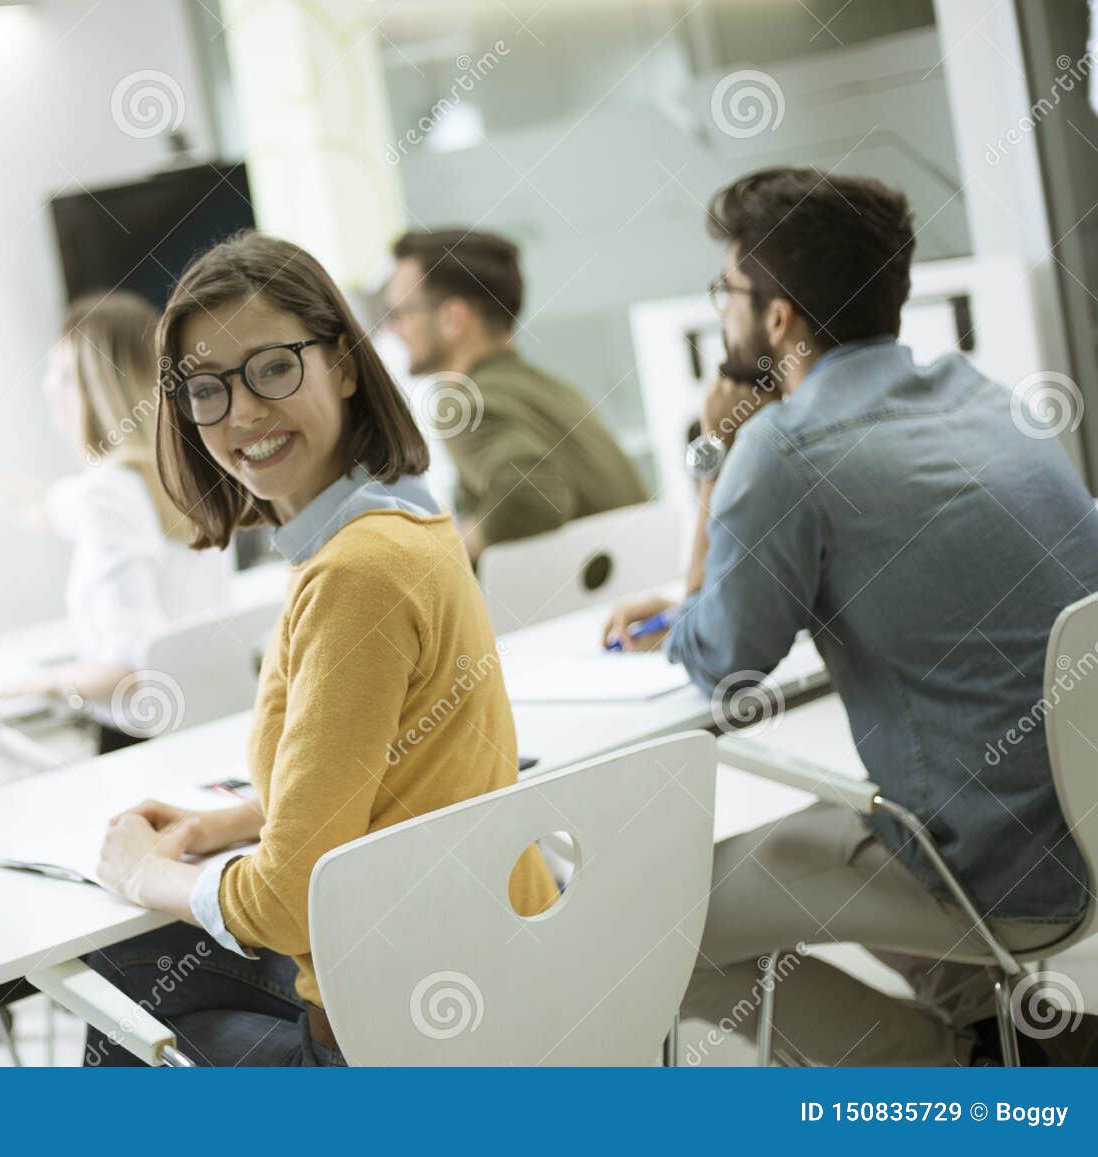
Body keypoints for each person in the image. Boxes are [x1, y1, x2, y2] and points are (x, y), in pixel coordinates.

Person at [604, 167, 1098, 1066]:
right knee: (816, 831)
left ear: (778, 317)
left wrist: (719, 461)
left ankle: (964, 1087)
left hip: (986, 860)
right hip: (1077, 821)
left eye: (729, 292)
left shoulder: (787, 451)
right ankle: (1019, 1032)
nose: (723, 314)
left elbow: (727, 662)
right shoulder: (977, 394)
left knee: (650, 931)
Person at [77, 232, 559, 1066]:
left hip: (403, 1038)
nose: (242, 415)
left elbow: (293, 902)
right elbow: (383, 778)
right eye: (206, 390)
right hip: (493, 974)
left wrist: (141, 873)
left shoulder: (356, 574)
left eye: (272, 368)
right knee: (136, 963)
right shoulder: (407, 518)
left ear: (342, 363)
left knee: (118, 987)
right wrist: (221, 823)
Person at [0, 291, 233, 752]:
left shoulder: (108, 494)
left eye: (62, 376)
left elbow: (130, 670)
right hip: (206, 729)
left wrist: (35, 683)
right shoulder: (188, 479)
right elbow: (38, 505)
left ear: (98, 390)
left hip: (141, 744)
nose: (47, 389)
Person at [383, 229, 646, 561]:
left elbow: (533, 497)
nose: (392, 330)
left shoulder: (464, 405)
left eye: (399, 315)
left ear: (453, 319)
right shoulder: (550, 388)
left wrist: (441, 552)